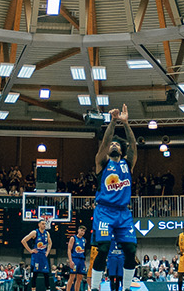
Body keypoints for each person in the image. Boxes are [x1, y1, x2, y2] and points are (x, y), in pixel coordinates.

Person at [89, 106, 138, 291]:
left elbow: (133, 145)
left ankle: (126, 288)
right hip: (104, 211)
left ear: (122, 149)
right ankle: (95, 287)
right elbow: (105, 142)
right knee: (102, 248)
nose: (114, 145)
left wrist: (125, 124)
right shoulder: (102, 163)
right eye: (112, 145)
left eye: (118, 144)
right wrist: (113, 121)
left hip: (123, 213)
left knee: (131, 251)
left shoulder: (128, 164)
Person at [22, 218, 54, 291]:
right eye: (42, 224)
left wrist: (47, 252)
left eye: (45, 224)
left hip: (43, 256)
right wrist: (30, 250)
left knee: (46, 274)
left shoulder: (47, 233)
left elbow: (50, 243)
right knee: (34, 275)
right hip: (36, 256)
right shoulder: (34, 232)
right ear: (39, 225)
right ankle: (33, 289)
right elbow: (23, 241)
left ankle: (48, 289)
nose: (44, 225)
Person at [67, 225, 88, 291]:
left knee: (80, 278)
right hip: (75, 258)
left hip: (81, 259)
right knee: (72, 277)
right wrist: (70, 261)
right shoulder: (73, 238)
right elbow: (69, 250)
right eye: (81, 230)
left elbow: (84, 252)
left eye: (84, 231)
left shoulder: (84, 240)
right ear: (78, 230)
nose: (82, 232)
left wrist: (84, 262)